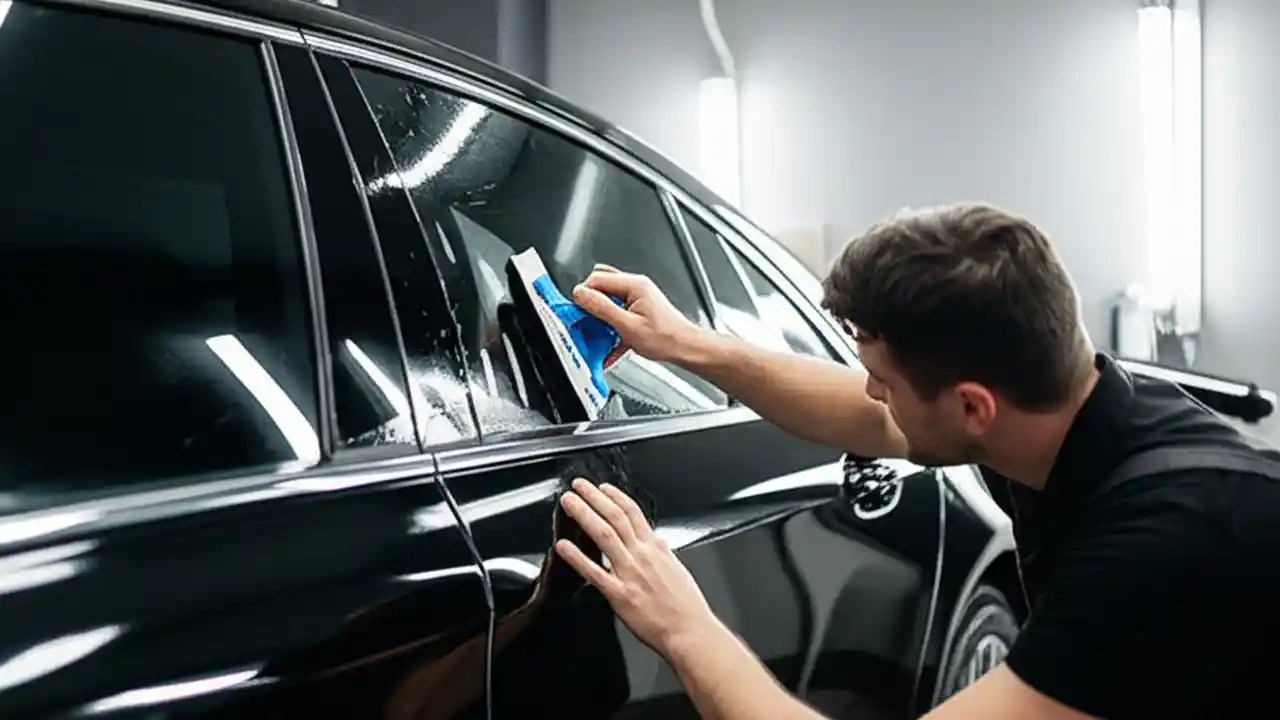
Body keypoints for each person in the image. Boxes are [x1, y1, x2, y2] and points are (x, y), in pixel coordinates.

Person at [550, 202, 1280, 720]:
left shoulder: (1165, 550)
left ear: (972, 408)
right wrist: (687, 345)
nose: (871, 392)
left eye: (884, 379)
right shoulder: (1068, 406)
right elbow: (871, 416)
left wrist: (683, 626)